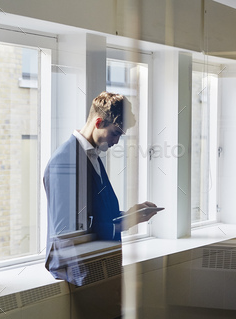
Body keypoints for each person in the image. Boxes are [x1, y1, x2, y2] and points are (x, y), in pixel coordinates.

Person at [43, 91, 158, 277]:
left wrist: (130, 215)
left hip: (102, 269)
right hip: (82, 275)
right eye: (115, 133)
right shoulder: (64, 161)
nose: (116, 141)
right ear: (98, 123)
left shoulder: (92, 156)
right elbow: (66, 232)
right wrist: (123, 224)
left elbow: (95, 216)